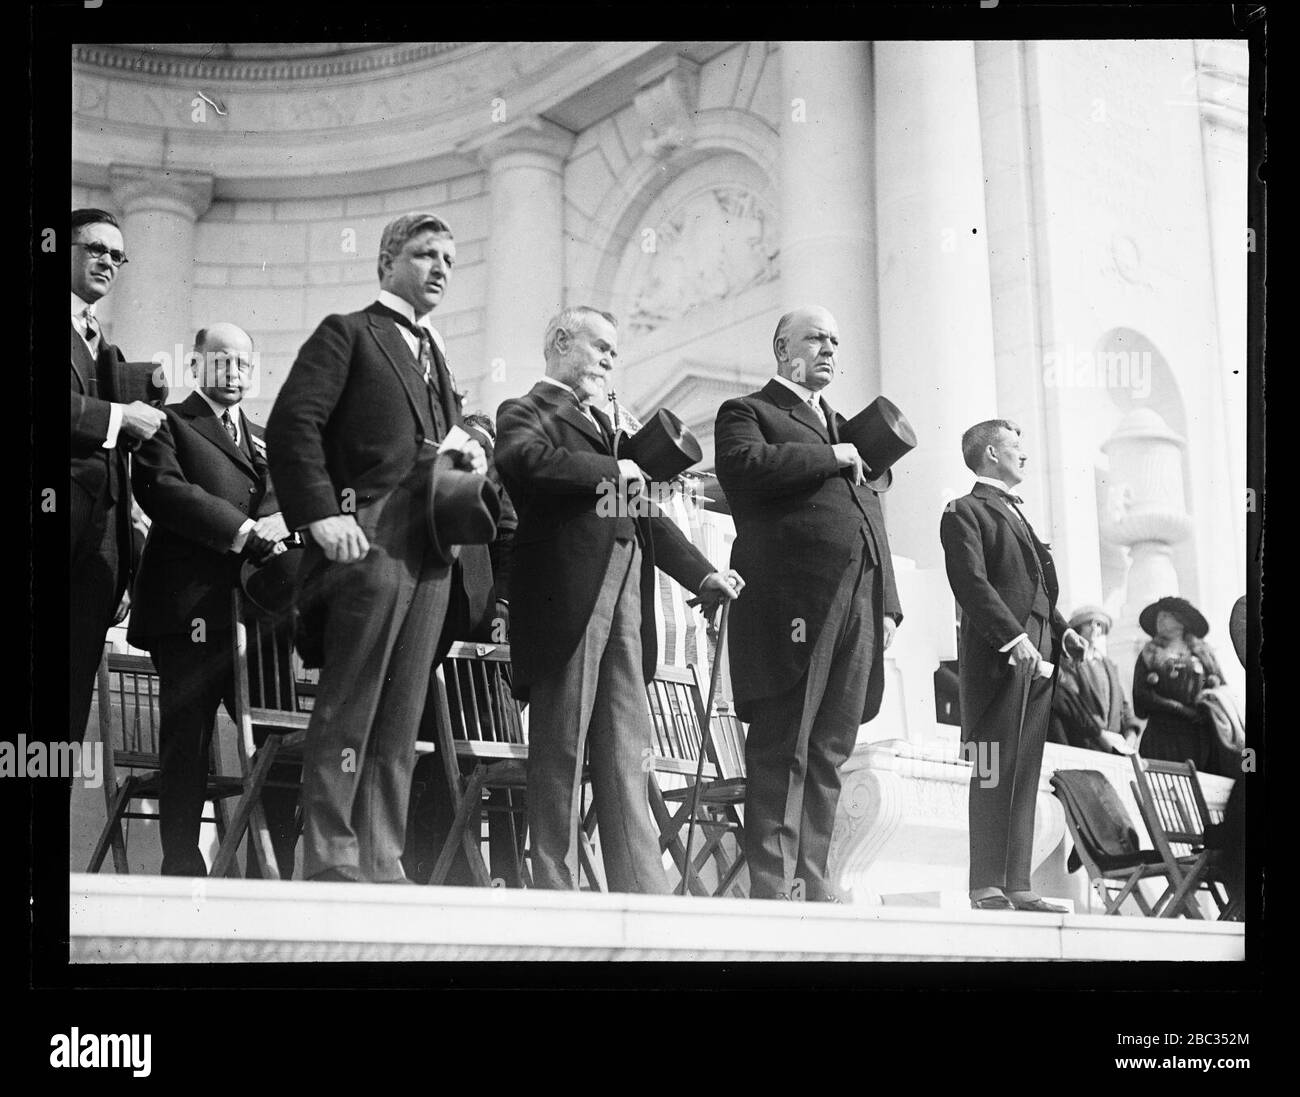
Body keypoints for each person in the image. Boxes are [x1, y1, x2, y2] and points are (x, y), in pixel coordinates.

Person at [266, 212, 485, 884]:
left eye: (449, 257)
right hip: (370, 538)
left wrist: (466, 447)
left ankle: (382, 856)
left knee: (401, 713)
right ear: (388, 260)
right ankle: (331, 855)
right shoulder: (348, 332)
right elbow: (291, 422)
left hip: (431, 549)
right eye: (425, 254)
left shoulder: (438, 353)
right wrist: (321, 515)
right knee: (351, 703)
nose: (441, 267)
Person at [494, 305, 742, 893]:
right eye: (600, 345)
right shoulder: (524, 409)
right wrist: (616, 465)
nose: (611, 358)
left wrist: (703, 574)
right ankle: (554, 880)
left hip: (628, 589)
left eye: (614, 349)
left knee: (626, 743)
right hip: (566, 595)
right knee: (561, 742)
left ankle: (640, 886)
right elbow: (525, 463)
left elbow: (644, 513)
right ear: (559, 341)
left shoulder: (608, 426)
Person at [713, 305, 902, 902]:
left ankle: (812, 885)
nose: (829, 348)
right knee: (784, 744)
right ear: (781, 349)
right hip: (790, 603)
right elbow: (742, 469)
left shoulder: (848, 427)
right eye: (816, 338)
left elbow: (871, 512)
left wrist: (890, 603)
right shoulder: (749, 411)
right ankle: (773, 889)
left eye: (835, 340)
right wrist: (831, 457)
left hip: (860, 601)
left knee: (830, 750)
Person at [129, 323, 298, 877]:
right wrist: (247, 529)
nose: (233, 372)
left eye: (243, 363)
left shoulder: (265, 435)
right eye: (221, 360)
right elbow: (167, 493)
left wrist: (281, 522)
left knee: (278, 747)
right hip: (191, 612)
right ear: (196, 364)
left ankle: (266, 878)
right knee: (189, 743)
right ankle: (181, 870)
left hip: (259, 615)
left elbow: (286, 497)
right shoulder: (170, 423)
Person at [939, 419, 1087, 912]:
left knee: (1024, 768)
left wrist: (1062, 631)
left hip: (1041, 650)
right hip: (1000, 655)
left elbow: (1038, 588)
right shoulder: (965, 511)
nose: (1024, 455)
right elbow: (972, 584)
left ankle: (1018, 884)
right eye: (1015, 447)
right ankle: (986, 884)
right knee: (990, 767)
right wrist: (1013, 638)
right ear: (989, 454)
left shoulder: (1017, 511)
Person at [70, 208, 166, 744]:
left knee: (71, 696)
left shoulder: (102, 341)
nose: (108, 261)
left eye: (116, 255)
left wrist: (124, 551)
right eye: (96, 249)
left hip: (98, 549)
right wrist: (116, 417)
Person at [1133, 596, 1226, 772]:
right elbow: (1141, 695)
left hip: (1198, 737)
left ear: (1181, 621)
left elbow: (1220, 687)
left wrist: (1206, 705)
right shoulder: (1149, 654)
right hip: (1162, 738)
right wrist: (1178, 708)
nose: (1159, 620)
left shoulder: (1203, 654)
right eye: (1158, 617)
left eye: (1166, 616)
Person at [1049, 605, 1140, 754]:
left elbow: (1123, 705)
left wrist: (1131, 733)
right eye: (1088, 624)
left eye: (1098, 625)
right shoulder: (1069, 662)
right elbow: (1073, 704)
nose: (1094, 628)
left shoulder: (1109, 665)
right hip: (1084, 743)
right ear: (1077, 629)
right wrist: (1099, 735)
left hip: (1115, 747)